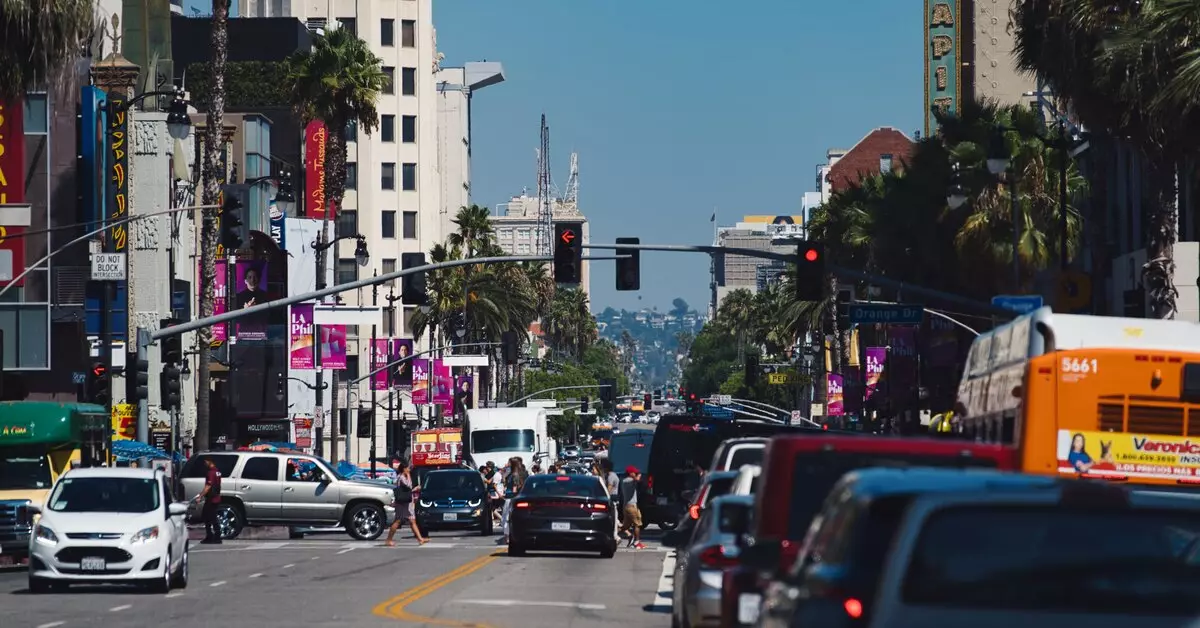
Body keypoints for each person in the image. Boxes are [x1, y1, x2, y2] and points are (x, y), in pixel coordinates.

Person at [384, 459, 428, 546]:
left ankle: (420, 539)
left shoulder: (403, 476)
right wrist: (410, 479)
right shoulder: (401, 477)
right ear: (404, 469)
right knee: (398, 520)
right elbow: (408, 486)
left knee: (412, 521)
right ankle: (388, 539)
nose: (409, 470)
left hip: (408, 503)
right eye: (407, 468)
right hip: (403, 503)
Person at [192, 457, 223, 544]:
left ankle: (213, 536)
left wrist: (200, 496)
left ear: (210, 461)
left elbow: (208, 486)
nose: (204, 464)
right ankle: (215, 536)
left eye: (205, 462)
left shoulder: (210, 473)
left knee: (208, 518)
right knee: (212, 517)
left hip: (211, 498)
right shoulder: (218, 472)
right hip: (216, 497)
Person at [619, 466, 646, 549]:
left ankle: (612, 534)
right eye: (635, 472)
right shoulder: (628, 480)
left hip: (629, 505)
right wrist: (639, 475)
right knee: (637, 524)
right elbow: (637, 480)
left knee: (625, 526)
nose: (636, 474)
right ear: (630, 473)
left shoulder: (625, 480)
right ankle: (636, 542)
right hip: (631, 506)